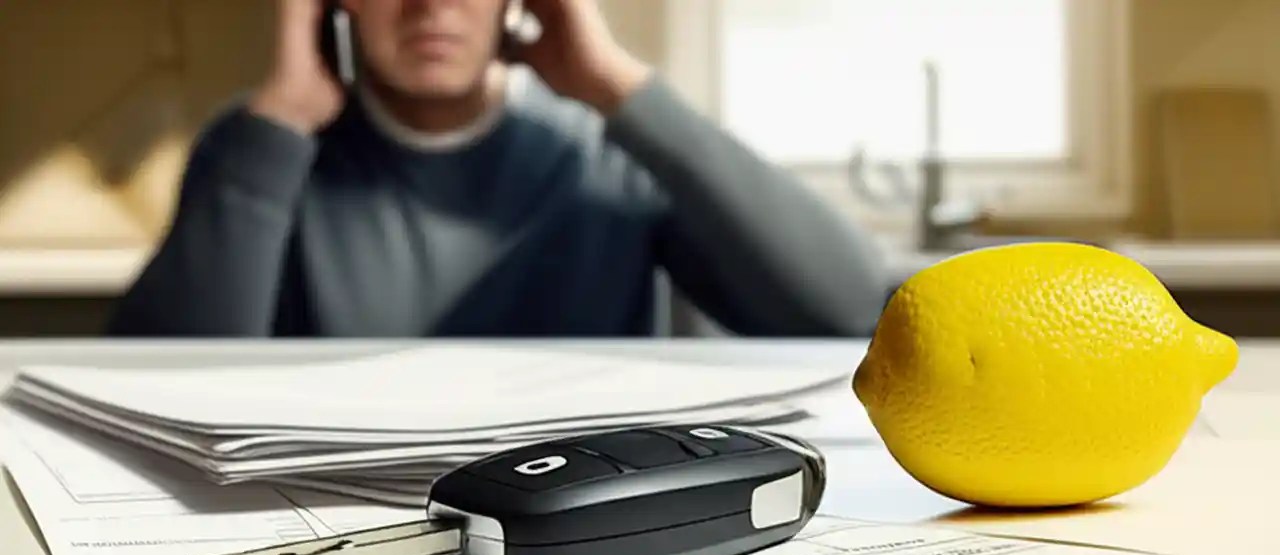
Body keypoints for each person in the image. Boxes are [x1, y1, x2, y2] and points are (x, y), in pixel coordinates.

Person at [108, 0, 888, 338]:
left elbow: (848, 310)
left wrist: (618, 87)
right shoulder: (263, 153)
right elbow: (160, 381)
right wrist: (279, 121)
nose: (431, 6)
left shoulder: (611, 152)